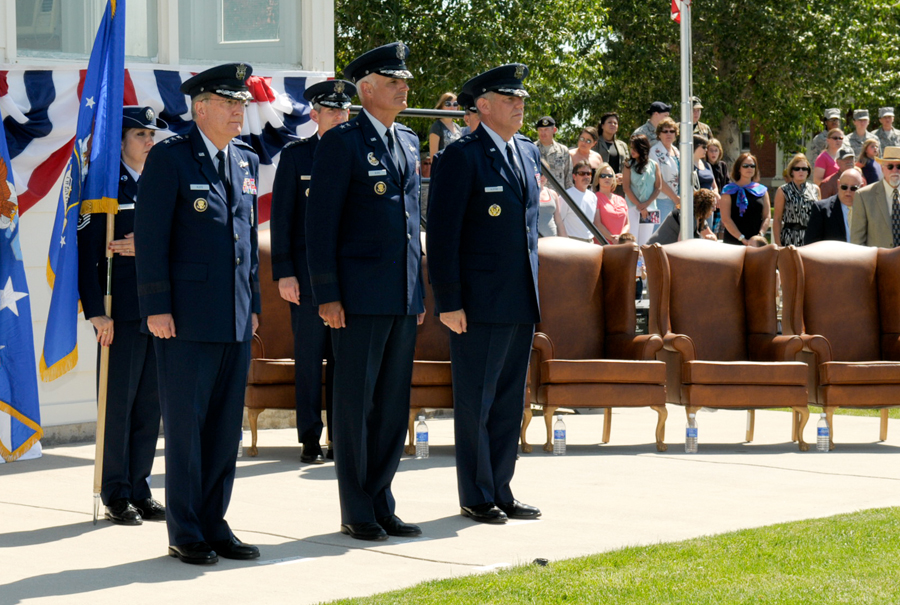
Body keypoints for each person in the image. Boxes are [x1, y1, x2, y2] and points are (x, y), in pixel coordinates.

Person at [134, 63, 261, 565]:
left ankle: (215, 522)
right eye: (230, 103)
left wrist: (250, 307)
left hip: (232, 317)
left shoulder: (244, 162)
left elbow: (246, 243)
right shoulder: (171, 158)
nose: (239, 111)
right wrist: (156, 308)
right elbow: (151, 239)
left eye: (242, 104)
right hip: (184, 318)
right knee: (187, 428)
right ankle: (185, 530)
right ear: (201, 107)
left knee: (224, 429)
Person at [306, 42, 424, 542]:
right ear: (367, 88)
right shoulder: (342, 141)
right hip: (356, 298)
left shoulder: (409, 142)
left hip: (400, 294)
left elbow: (411, 222)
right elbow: (320, 226)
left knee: (393, 406)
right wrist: (327, 295)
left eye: (405, 81)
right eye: (393, 81)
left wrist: (417, 292)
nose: (403, 87)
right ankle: (356, 508)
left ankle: (381, 499)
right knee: (355, 404)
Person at [427, 63, 542, 525]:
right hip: (476, 302)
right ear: (484, 105)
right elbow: (443, 234)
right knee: (476, 399)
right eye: (509, 98)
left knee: (510, 400)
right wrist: (449, 301)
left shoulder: (528, 153)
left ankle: (501, 487)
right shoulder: (462, 155)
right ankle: (475, 494)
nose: (519, 105)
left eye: (521, 99)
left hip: (519, 297)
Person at [77, 106, 167, 527]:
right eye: (141, 135)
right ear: (121, 142)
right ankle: (115, 492)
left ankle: (140, 486)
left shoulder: (163, 182)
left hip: (161, 311)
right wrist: (96, 312)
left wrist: (146, 245)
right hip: (122, 312)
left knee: (150, 405)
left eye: (152, 135)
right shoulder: (104, 189)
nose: (150, 141)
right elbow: (86, 255)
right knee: (118, 406)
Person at [270, 80, 355, 464]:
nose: (340, 116)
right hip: (305, 278)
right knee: (309, 358)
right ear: (315, 115)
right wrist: (284, 272)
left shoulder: (360, 155)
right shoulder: (297, 157)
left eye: (344, 110)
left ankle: (341, 437)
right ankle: (309, 438)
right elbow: (282, 220)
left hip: (350, 276)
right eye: (332, 111)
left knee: (344, 359)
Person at [851, 146, 900, 248]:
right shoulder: (864, 196)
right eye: (890, 166)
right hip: (878, 262)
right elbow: (857, 241)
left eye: (899, 166)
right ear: (882, 169)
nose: (895, 170)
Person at [720, 153, 771, 245]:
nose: (749, 168)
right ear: (738, 168)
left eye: (752, 166)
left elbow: (766, 216)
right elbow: (726, 219)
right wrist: (742, 239)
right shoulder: (728, 190)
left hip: (755, 242)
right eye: (745, 166)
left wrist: (759, 236)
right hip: (733, 241)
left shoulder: (762, 190)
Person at [804, 168, 863, 245]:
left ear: (861, 187)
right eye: (844, 187)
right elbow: (810, 244)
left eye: (853, 188)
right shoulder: (822, 210)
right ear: (838, 184)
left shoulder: (867, 209)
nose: (848, 191)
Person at [622, 134, 662, 246]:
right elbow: (626, 187)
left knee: (646, 242)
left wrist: (646, 204)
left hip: (650, 208)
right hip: (633, 207)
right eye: (631, 148)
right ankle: (633, 263)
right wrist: (639, 205)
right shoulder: (628, 165)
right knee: (632, 240)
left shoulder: (654, 165)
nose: (632, 151)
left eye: (635, 148)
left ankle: (643, 264)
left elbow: (658, 187)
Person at [772, 153, 819, 247]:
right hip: (790, 237)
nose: (801, 171)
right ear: (792, 171)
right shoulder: (783, 190)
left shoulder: (815, 189)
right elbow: (777, 219)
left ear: (808, 171)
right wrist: (778, 244)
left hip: (811, 237)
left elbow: (818, 217)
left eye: (804, 169)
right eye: (797, 169)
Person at [647, 188, 717, 245]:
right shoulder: (687, 216)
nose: (714, 209)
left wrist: (712, 238)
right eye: (712, 207)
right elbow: (682, 244)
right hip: (656, 252)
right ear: (704, 206)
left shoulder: (700, 219)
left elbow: (711, 236)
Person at [650, 117, 680, 226]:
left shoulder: (677, 151)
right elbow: (658, 180)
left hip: (677, 200)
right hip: (660, 200)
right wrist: (674, 198)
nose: (669, 134)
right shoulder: (654, 152)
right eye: (665, 131)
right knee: (658, 234)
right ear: (659, 134)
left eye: (672, 131)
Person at [562, 160, 599, 242]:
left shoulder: (593, 196)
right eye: (582, 173)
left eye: (588, 173)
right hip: (572, 241)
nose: (586, 176)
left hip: (589, 242)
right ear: (574, 177)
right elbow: (559, 221)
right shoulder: (566, 196)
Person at [593, 162, 629, 244]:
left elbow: (627, 224)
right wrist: (613, 239)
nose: (607, 178)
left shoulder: (621, 199)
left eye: (610, 176)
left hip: (620, 244)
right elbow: (597, 224)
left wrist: (620, 238)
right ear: (597, 179)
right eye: (603, 176)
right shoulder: (594, 198)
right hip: (603, 244)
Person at [594, 112, 629, 194]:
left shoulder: (622, 145)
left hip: (620, 189)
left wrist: (624, 176)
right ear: (602, 125)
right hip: (601, 188)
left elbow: (628, 165)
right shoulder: (595, 143)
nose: (612, 125)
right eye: (609, 122)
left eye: (615, 123)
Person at [535, 116, 573, 189]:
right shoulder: (532, 149)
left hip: (558, 196)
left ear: (554, 130)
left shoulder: (563, 150)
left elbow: (568, 178)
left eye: (546, 129)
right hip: (539, 196)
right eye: (540, 130)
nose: (543, 133)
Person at [428, 91, 462, 158]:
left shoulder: (457, 127)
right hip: (443, 167)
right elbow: (433, 156)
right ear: (441, 106)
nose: (452, 107)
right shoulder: (437, 126)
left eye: (455, 104)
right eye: (448, 104)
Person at [617, 232, 645, 300]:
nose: (633, 250)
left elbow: (644, 277)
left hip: (637, 292)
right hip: (625, 293)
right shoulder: (620, 261)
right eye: (629, 248)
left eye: (635, 247)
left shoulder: (637, 260)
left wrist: (642, 271)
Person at [537, 173, 567, 237]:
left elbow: (558, 221)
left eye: (545, 174)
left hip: (552, 237)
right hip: (534, 239)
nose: (542, 177)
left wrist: (565, 239)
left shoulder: (553, 194)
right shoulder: (527, 194)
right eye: (540, 173)